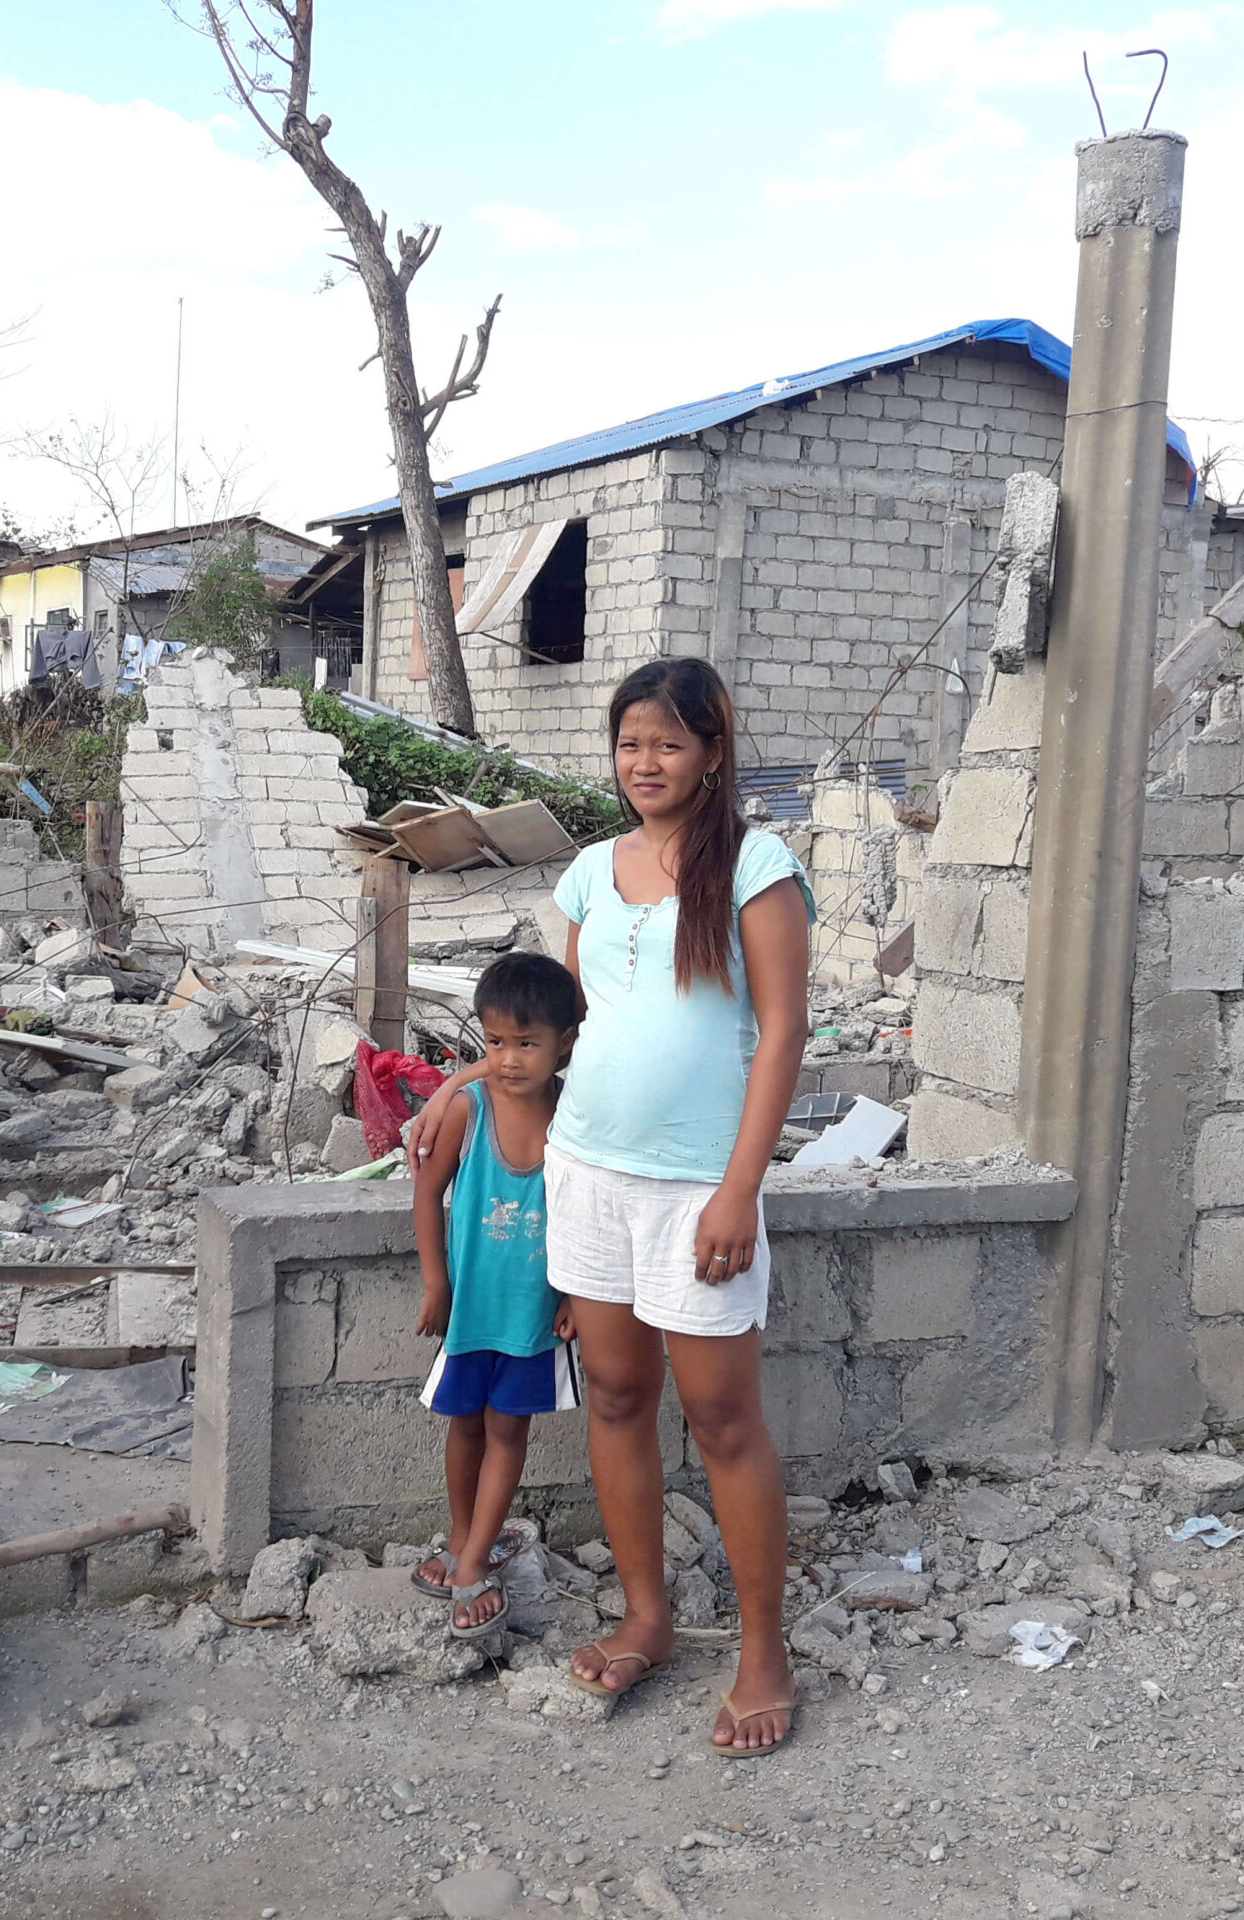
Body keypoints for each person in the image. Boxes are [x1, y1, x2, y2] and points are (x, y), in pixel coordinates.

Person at [414, 658, 812, 1756]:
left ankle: (764, 1653)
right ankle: (649, 1616)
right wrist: (460, 1083)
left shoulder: (758, 869)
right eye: (630, 742)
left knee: (724, 1419)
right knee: (617, 1399)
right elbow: (562, 1034)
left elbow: (782, 1035)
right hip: (585, 1180)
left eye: (669, 743)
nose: (646, 762)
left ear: (713, 753)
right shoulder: (590, 872)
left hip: (696, 1191)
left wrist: (741, 1186)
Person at [409, 952, 582, 1638]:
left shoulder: (574, 1113)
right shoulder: (468, 1110)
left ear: (565, 1043)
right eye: (496, 1043)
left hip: (535, 1314)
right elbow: (427, 1194)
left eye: (528, 1043)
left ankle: (475, 1558)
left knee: (509, 1431)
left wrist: (574, 1296)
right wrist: (436, 1282)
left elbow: (585, 1210)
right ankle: (462, 1540)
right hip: (472, 1310)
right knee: (465, 1425)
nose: (510, 1059)